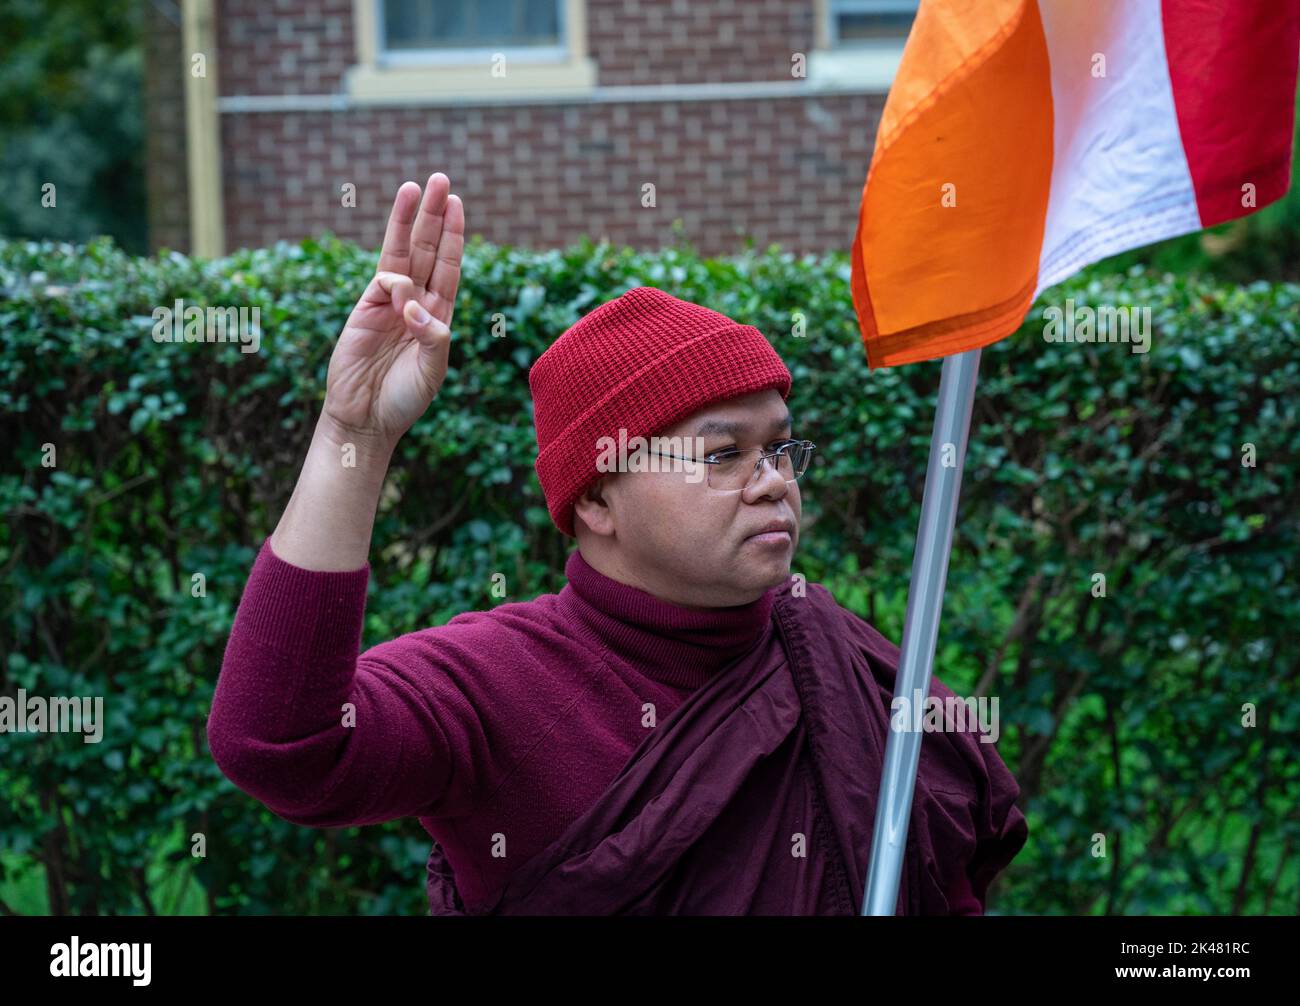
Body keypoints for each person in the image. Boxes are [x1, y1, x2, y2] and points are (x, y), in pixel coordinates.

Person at [206, 172, 1028, 915]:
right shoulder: (499, 682)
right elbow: (280, 746)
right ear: (597, 495)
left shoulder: (842, 666)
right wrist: (354, 430)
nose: (775, 480)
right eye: (721, 455)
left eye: (780, 448)